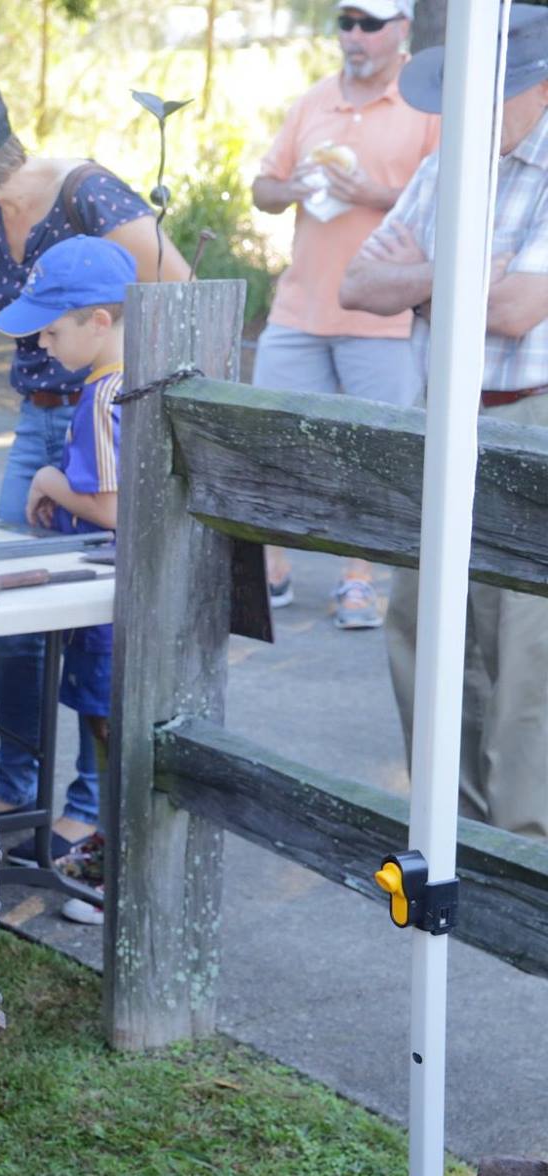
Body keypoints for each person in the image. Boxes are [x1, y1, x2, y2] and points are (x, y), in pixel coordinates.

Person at [0, 84, 186, 861]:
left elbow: (178, 292)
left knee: (95, 616)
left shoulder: (89, 192)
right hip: (38, 417)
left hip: (102, 413)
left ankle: (87, 805)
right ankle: (18, 782)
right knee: (10, 605)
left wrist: (122, 407)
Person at [340, 2, 548, 839]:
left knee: (526, 641)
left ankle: (525, 844)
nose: (465, 114)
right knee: (425, 624)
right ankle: (446, 830)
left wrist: (423, 277)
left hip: (531, 416)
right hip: (442, 411)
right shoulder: (451, 162)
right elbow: (358, 284)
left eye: (489, 92)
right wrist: (456, 273)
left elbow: (516, 309)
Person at [251, 0, 438, 627]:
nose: (354, 36)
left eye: (369, 24)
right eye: (345, 22)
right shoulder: (313, 100)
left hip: (383, 318)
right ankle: (272, 567)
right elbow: (263, 189)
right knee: (268, 441)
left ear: (402, 29)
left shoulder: (429, 102)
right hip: (300, 307)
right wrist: (296, 187)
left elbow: (451, 203)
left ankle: (358, 579)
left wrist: (376, 195)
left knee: (373, 455)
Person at [0, 236, 136, 924]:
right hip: (116, 595)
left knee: (107, 727)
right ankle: (105, 849)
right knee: (105, 724)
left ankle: (113, 872)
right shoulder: (129, 377)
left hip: (110, 602)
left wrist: (50, 480)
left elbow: (111, 508)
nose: (43, 342)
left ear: (98, 322)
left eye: (52, 328)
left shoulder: (104, 393)